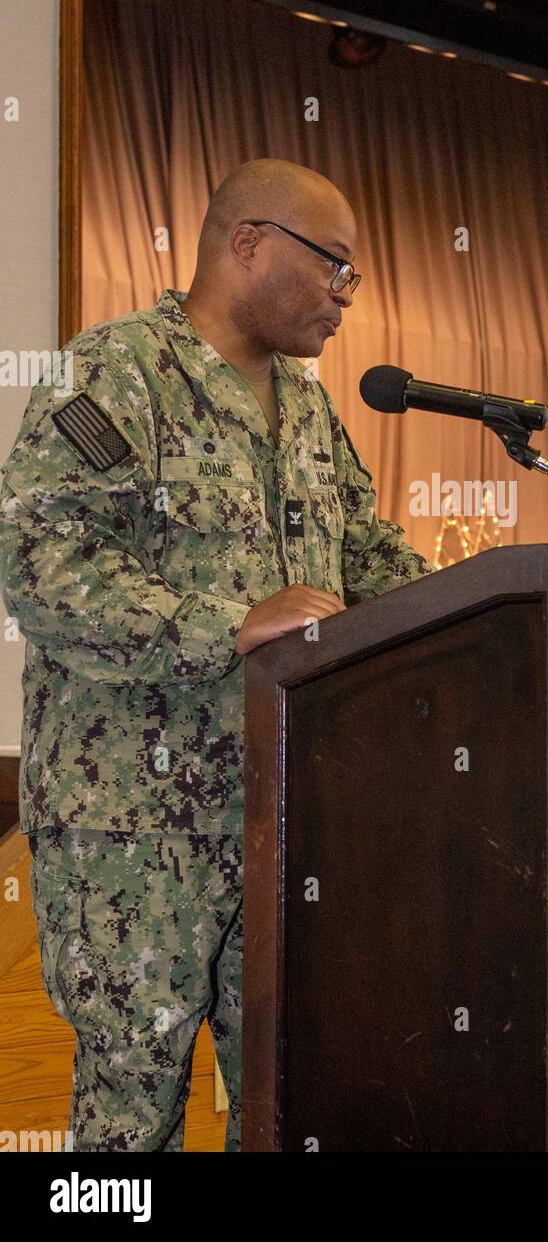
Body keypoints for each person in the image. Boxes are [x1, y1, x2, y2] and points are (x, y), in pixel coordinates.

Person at [0, 159, 435, 1151]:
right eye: (334, 266)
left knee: (288, 1094)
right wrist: (230, 624)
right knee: (131, 1116)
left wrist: (487, 608)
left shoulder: (309, 406)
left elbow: (367, 556)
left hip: (284, 816)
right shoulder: (115, 372)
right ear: (248, 244)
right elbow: (43, 566)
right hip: (134, 826)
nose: (346, 294)